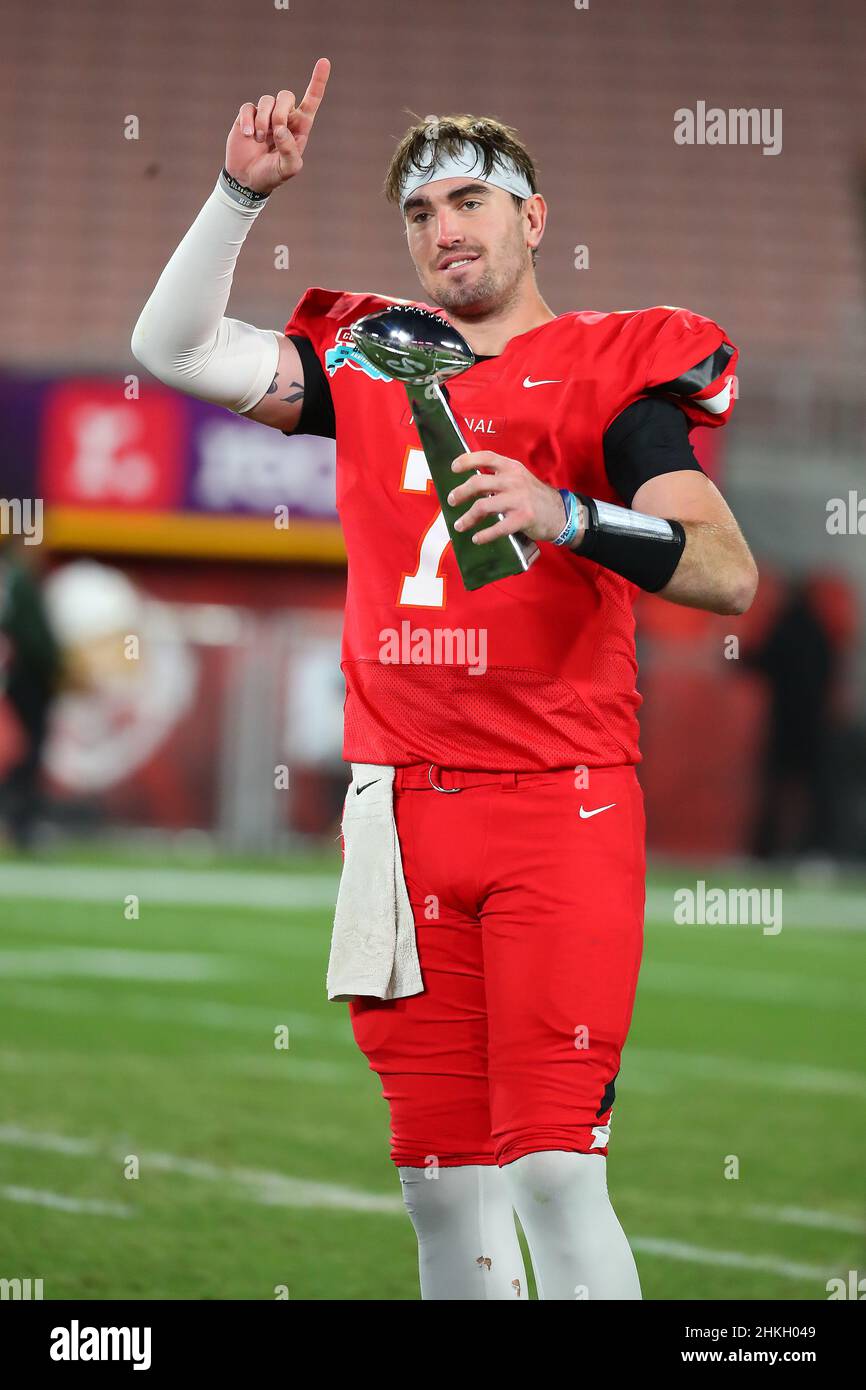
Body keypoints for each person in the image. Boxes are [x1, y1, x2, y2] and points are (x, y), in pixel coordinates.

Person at [131, 59, 758, 1300]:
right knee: (435, 1183)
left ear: (532, 220)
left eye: (469, 200)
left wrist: (568, 512)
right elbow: (170, 347)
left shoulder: (609, 371)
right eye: (417, 212)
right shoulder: (372, 357)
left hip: (555, 803)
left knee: (553, 1170)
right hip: (399, 813)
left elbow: (724, 572)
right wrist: (234, 196)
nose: (442, 229)